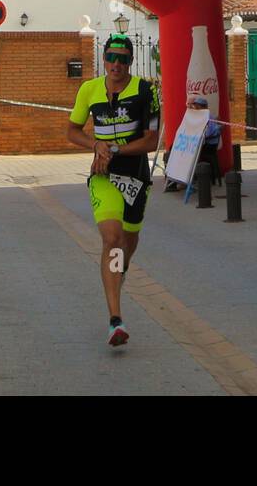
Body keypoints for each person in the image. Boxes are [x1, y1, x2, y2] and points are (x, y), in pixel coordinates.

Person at [67, 33, 160, 348]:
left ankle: (117, 276)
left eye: (123, 58)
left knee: (127, 243)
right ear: (103, 59)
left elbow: (152, 140)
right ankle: (115, 320)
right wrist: (96, 146)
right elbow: (72, 130)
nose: (116, 64)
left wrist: (116, 150)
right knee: (111, 238)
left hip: (135, 175)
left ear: (131, 61)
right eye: (111, 58)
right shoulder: (89, 90)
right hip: (103, 175)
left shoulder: (147, 91)